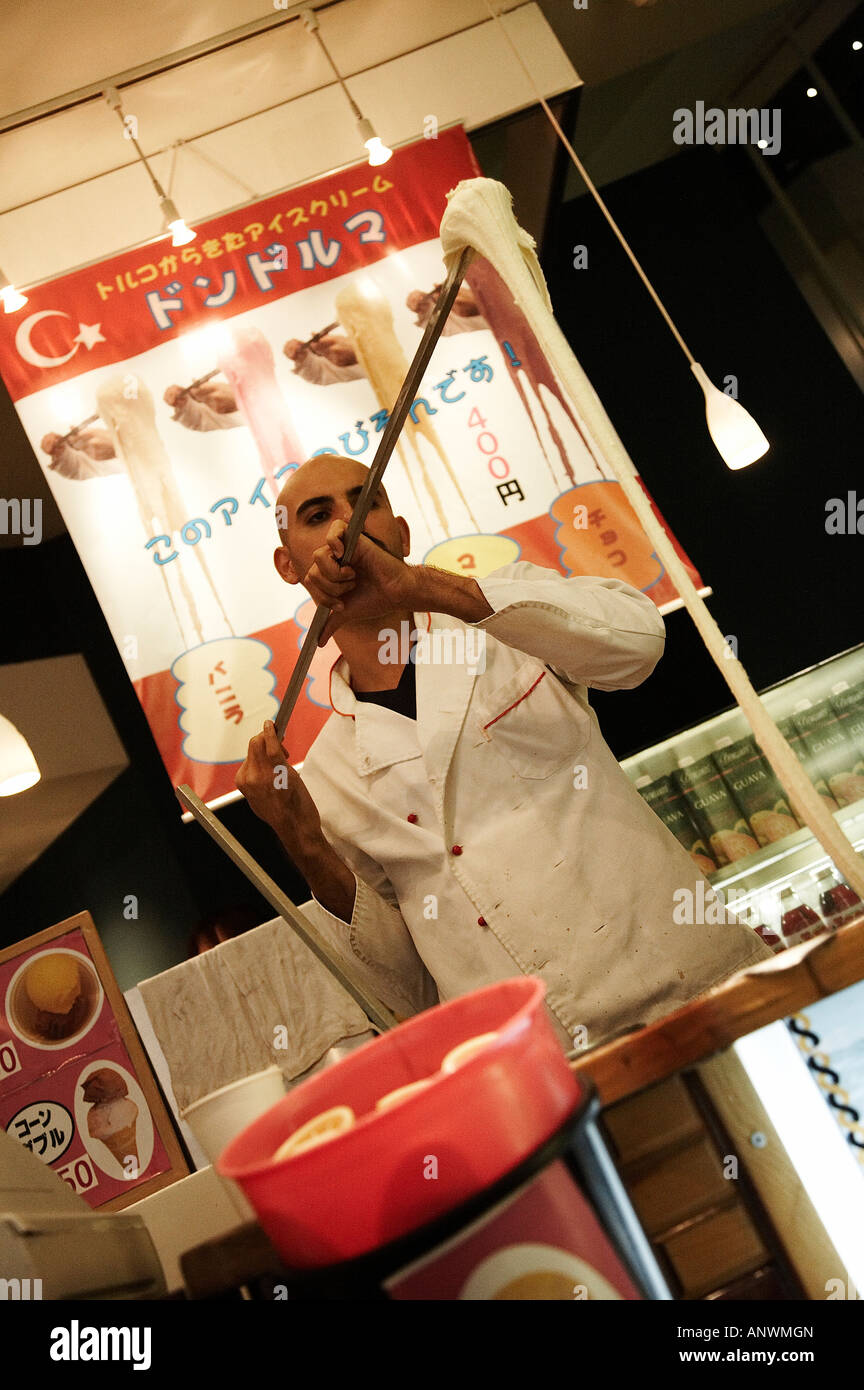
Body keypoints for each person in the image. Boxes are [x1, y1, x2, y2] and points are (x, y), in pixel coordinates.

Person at [236, 453, 771, 1052]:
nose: (345, 528)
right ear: (289, 565)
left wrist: (425, 587)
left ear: (400, 532)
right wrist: (298, 835)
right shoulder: (331, 769)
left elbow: (638, 645)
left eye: (366, 503)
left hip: (693, 987)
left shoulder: (498, 610)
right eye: (317, 515)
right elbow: (401, 979)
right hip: (534, 1060)